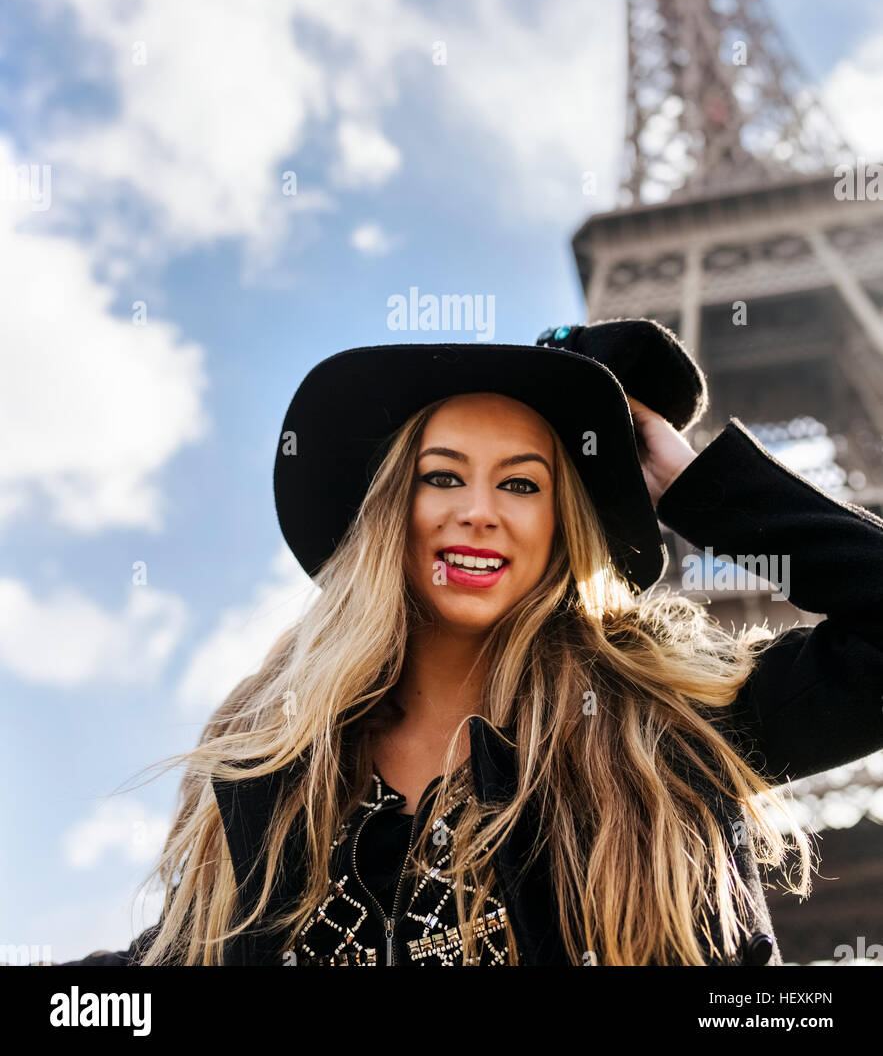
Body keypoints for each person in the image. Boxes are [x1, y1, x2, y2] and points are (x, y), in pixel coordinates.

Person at [52, 319, 883, 966]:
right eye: (441, 475)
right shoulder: (274, 768)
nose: (477, 510)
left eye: (521, 483)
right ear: (392, 512)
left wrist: (696, 484)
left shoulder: (660, 726)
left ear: (562, 528)